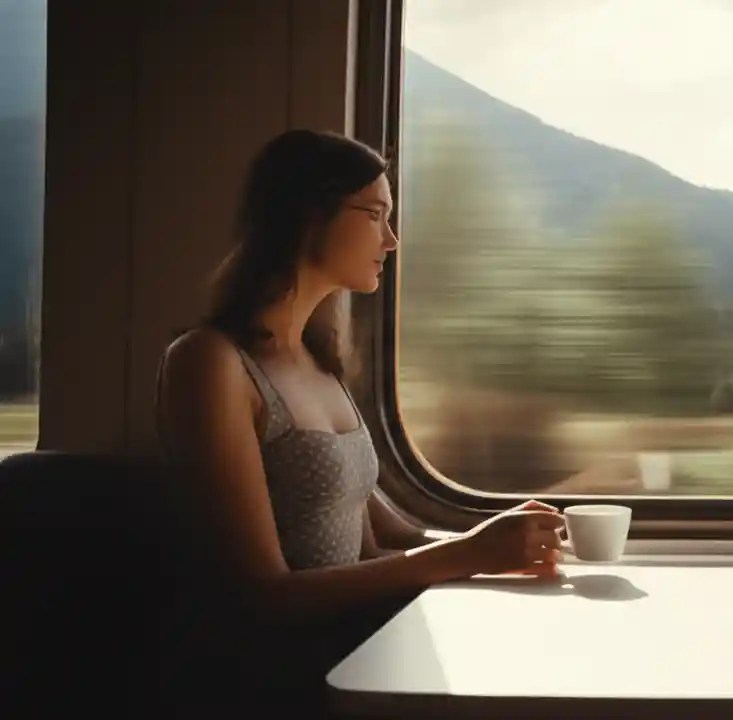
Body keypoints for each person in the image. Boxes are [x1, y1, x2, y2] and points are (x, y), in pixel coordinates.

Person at [155, 129, 565, 712]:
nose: (391, 239)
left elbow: (382, 540)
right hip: (280, 675)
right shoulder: (211, 363)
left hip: (354, 646)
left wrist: (504, 541)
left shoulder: (320, 364)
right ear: (307, 216)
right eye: (375, 214)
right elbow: (263, 596)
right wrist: (468, 554)